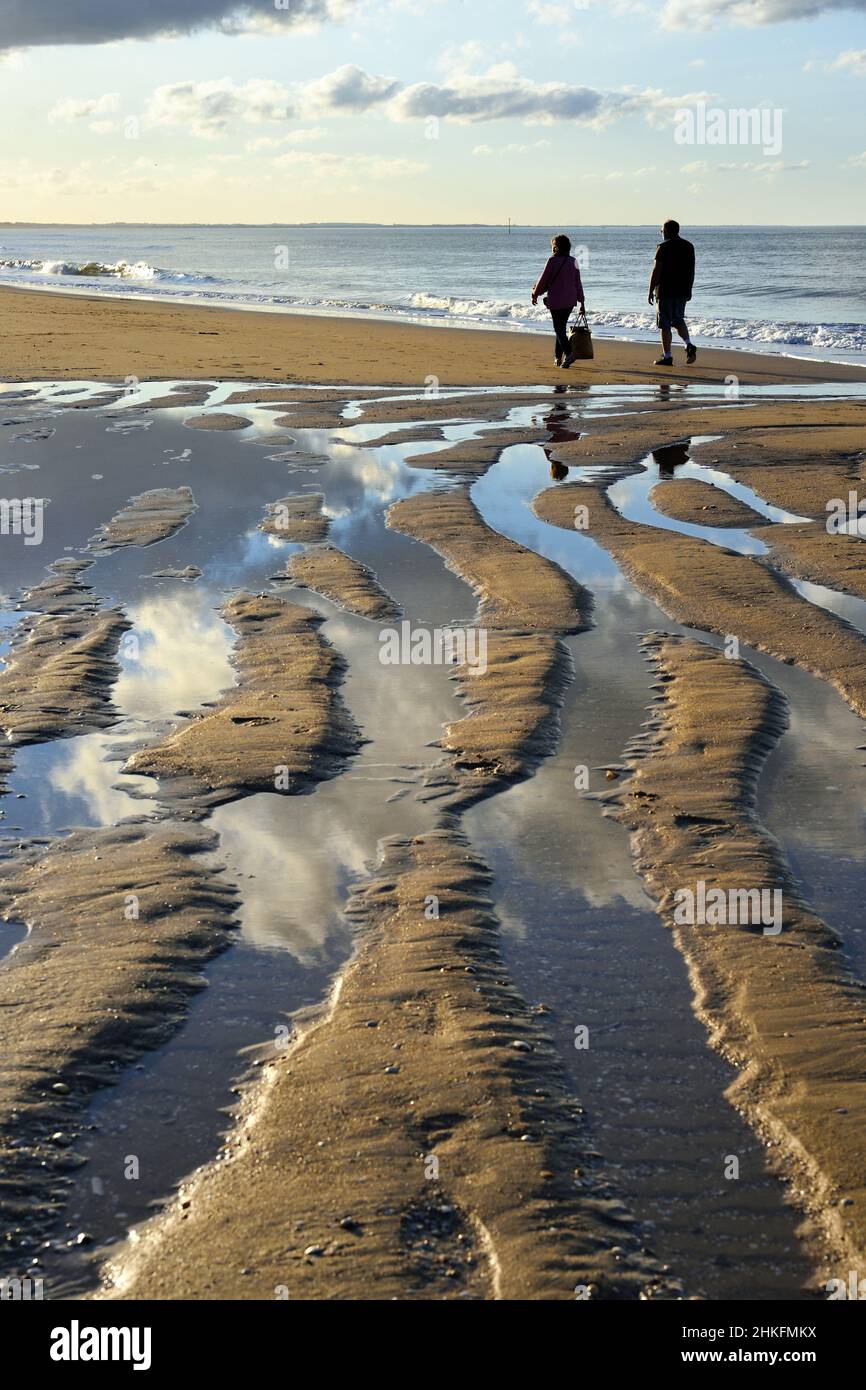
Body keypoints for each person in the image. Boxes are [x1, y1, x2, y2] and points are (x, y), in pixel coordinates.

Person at [531, 234, 585, 369]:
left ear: (555, 247)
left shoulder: (552, 261)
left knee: (558, 328)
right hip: (570, 300)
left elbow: (543, 280)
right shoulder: (574, 261)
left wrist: (535, 294)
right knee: (560, 328)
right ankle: (557, 357)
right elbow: (578, 283)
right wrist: (582, 302)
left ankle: (569, 353)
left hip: (556, 299)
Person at [648, 220, 696, 366]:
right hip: (682, 290)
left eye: (662, 231)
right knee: (678, 319)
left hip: (665, 290)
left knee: (665, 324)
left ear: (667, 231)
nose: (661, 233)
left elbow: (657, 270)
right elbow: (691, 270)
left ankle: (667, 356)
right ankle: (688, 344)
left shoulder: (662, 247)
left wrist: (650, 290)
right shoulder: (688, 246)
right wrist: (689, 289)